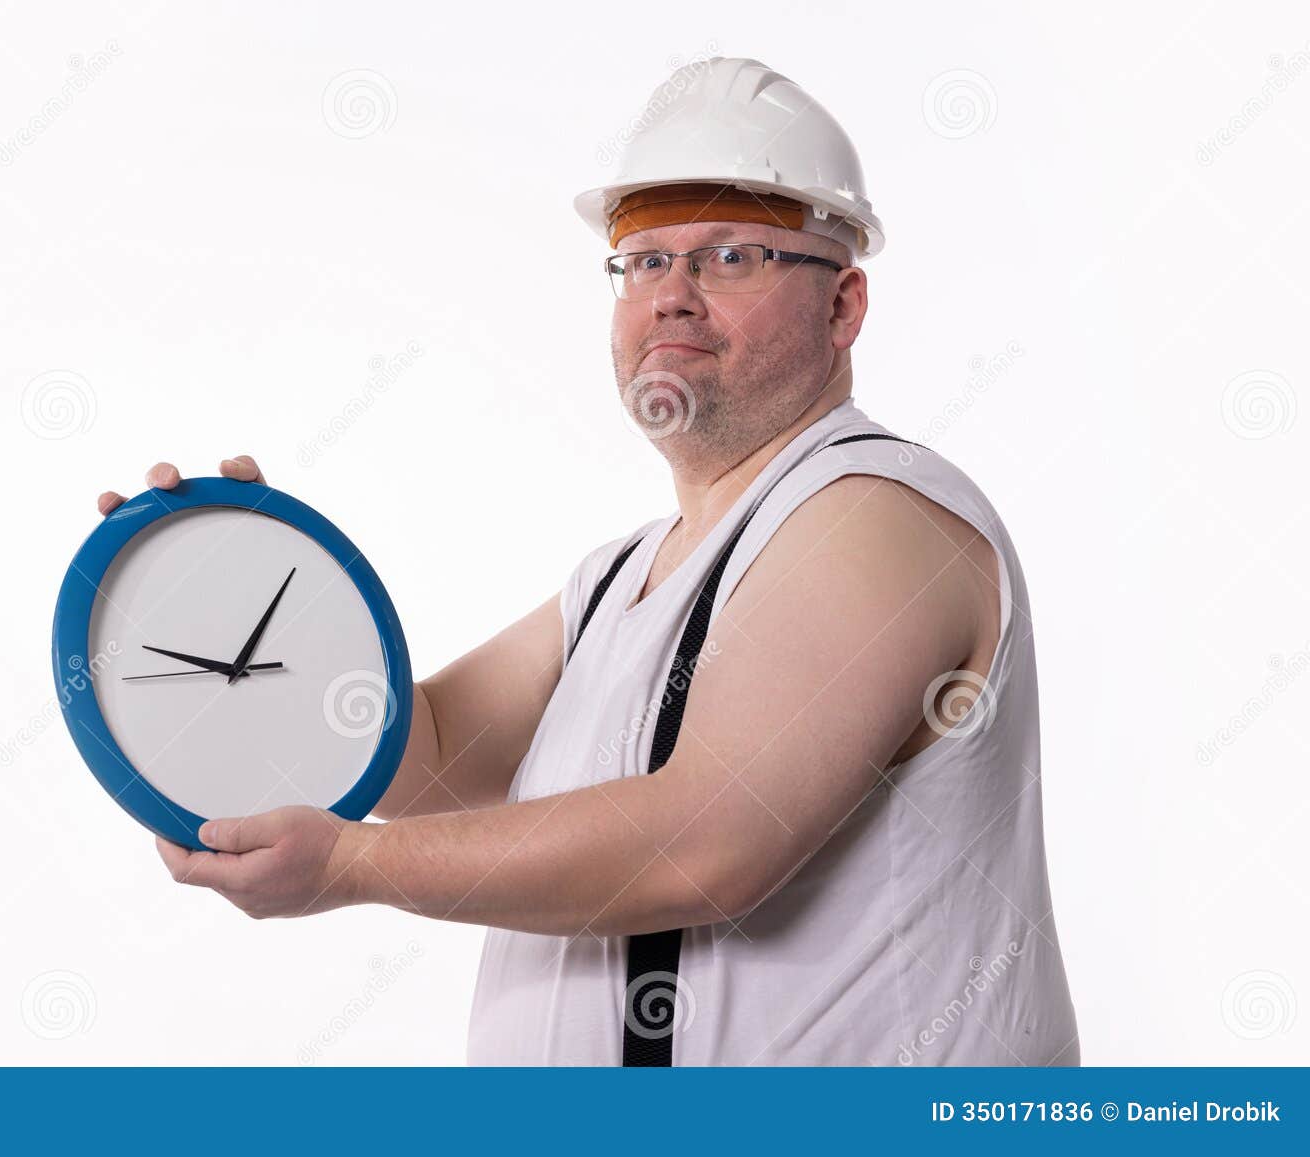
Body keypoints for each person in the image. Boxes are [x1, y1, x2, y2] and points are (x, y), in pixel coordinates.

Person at [95, 57, 1079, 1066]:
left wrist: (353, 865)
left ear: (843, 308)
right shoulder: (617, 580)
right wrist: (237, 574)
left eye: (730, 256)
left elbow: (709, 839)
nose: (673, 297)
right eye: (644, 261)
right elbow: (418, 749)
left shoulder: (878, 516)